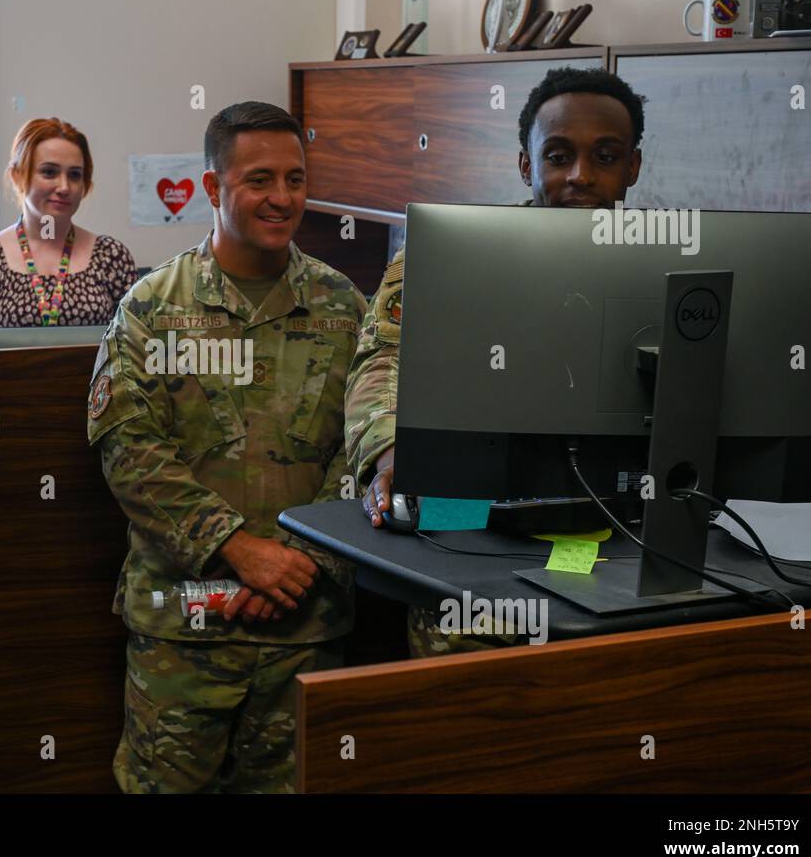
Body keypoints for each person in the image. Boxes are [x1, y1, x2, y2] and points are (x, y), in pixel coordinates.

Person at [88, 101, 366, 793]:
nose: (282, 198)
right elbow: (129, 448)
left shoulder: (342, 306)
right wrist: (238, 552)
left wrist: (301, 561)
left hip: (305, 622)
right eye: (260, 180)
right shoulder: (153, 308)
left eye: (296, 179)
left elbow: (365, 447)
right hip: (187, 622)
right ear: (213, 189)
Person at [345, 66, 646, 657]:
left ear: (632, 167)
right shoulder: (449, 259)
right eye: (559, 156)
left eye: (604, 156)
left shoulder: (671, 262)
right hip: (475, 529)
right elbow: (380, 366)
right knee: (470, 727)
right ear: (527, 165)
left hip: (620, 537)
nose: (580, 176)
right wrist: (392, 451)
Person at [0, 117, 137, 328]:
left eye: (75, 175)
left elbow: (131, 346)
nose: (64, 187)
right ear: (18, 176)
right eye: (49, 172)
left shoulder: (112, 256)